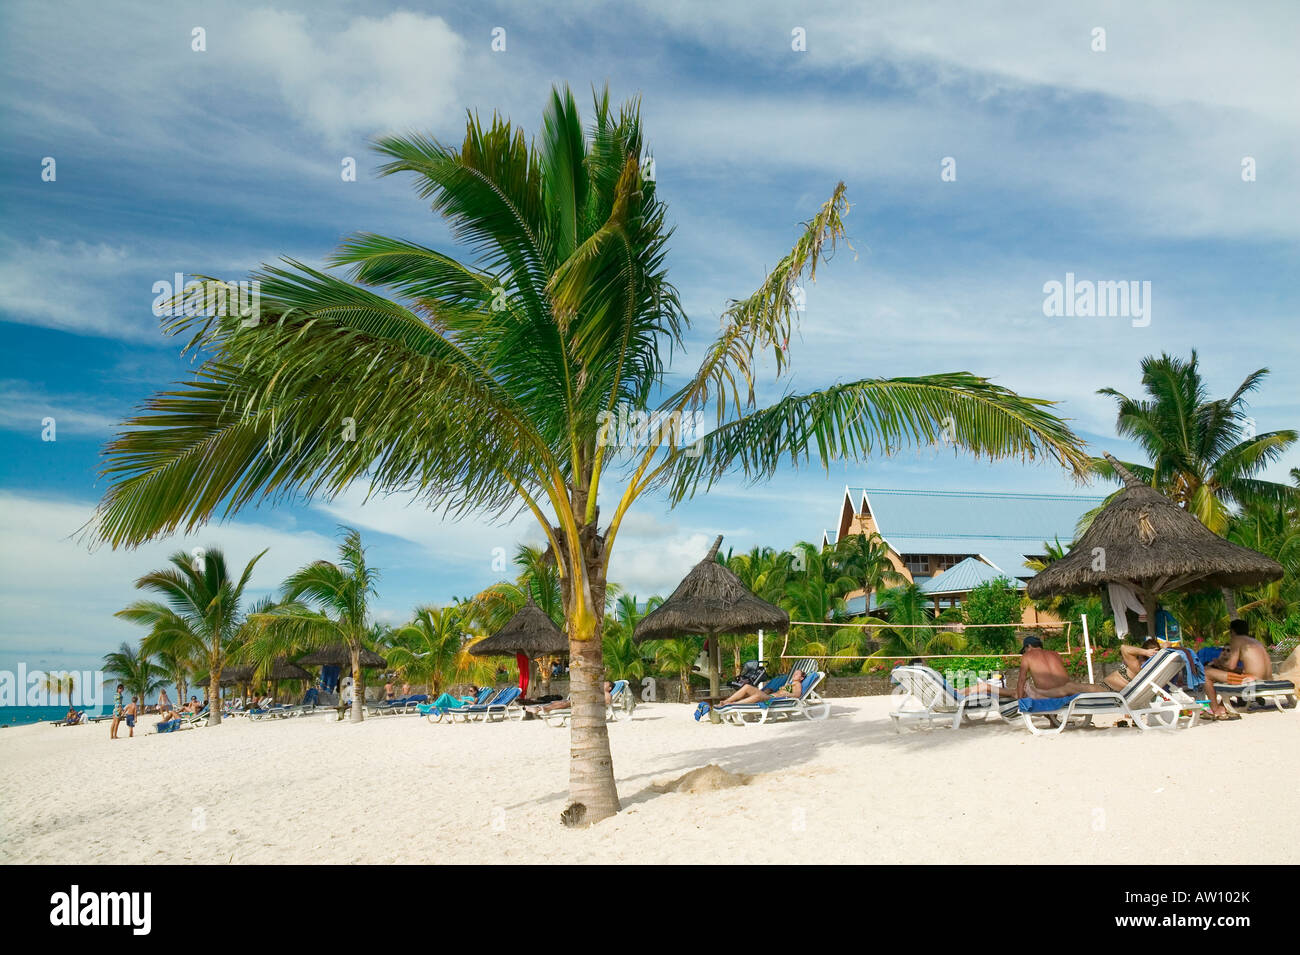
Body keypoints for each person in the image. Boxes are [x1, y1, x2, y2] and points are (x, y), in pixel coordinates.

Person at [1203, 620, 1274, 719]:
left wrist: (1218, 663)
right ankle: (1224, 704)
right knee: (1229, 674)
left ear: (1232, 631)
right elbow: (1243, 668)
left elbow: (1231, 666)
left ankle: (1216, 710)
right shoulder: (1255, 641)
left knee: (1206, 672)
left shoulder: (1236, 639)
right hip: (1267, 679)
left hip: (1252, 680)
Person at [1015, 635, 1106, 699]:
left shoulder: (1027, 656)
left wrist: (1020, 701)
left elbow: (1021, 680)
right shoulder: (1055, 654)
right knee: (1074, 686)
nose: (1025, 652)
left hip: (1052, 694)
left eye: (1024, 650)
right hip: (1068, 692)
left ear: (1029, 646)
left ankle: (1052, 720)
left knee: (1022, 693)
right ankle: (1053, 722)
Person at [717, 669, 805, 707]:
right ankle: (727, 701)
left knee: (757, 697)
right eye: (794, 673)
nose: (794, 674)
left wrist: (787, 694)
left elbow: (797, 694)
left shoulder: (797, 684)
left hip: (773, 699)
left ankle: (734, 704)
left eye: (797, 674)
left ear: (801, 678)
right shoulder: (790, 683)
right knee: (747, 686)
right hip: (769, 696)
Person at [527, 682, 613, 715]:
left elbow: (607, 702)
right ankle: (538, 708)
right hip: (583, 703)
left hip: (587, 706)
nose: (603, 684)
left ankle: (543, 709)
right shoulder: (600, 692)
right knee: (561, 702)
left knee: (564, 703)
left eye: (605, 684)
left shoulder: (607, 694)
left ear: (609, 688)